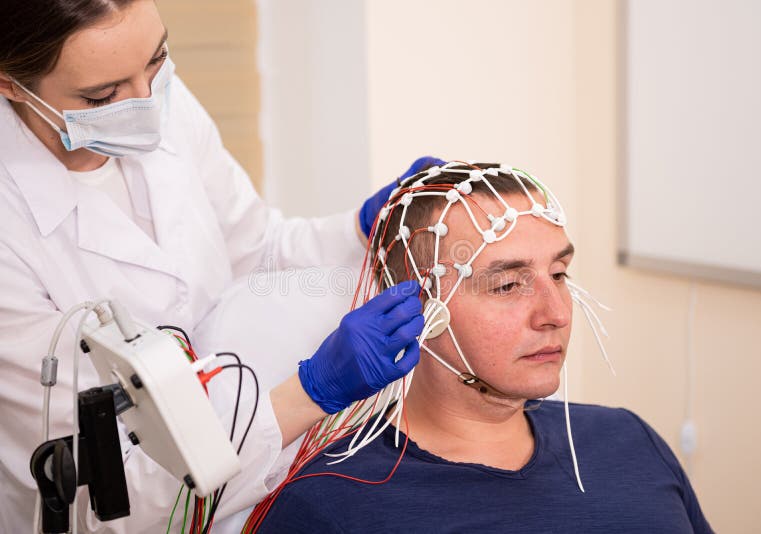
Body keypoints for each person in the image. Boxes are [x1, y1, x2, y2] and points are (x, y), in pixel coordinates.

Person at [0, 1, 438, 532]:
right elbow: (112, 497)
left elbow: (255, 251)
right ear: (11, 84)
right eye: (102, 96)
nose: (146, 105)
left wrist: (360, 229)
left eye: (157, 59)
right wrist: (311, 393)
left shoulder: (156, 97)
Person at [257, 162, 714, 533]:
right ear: (416, 305)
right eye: (508, 285)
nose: (555, 313)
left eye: (558, 274)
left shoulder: (629, 442)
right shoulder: (331, 504)